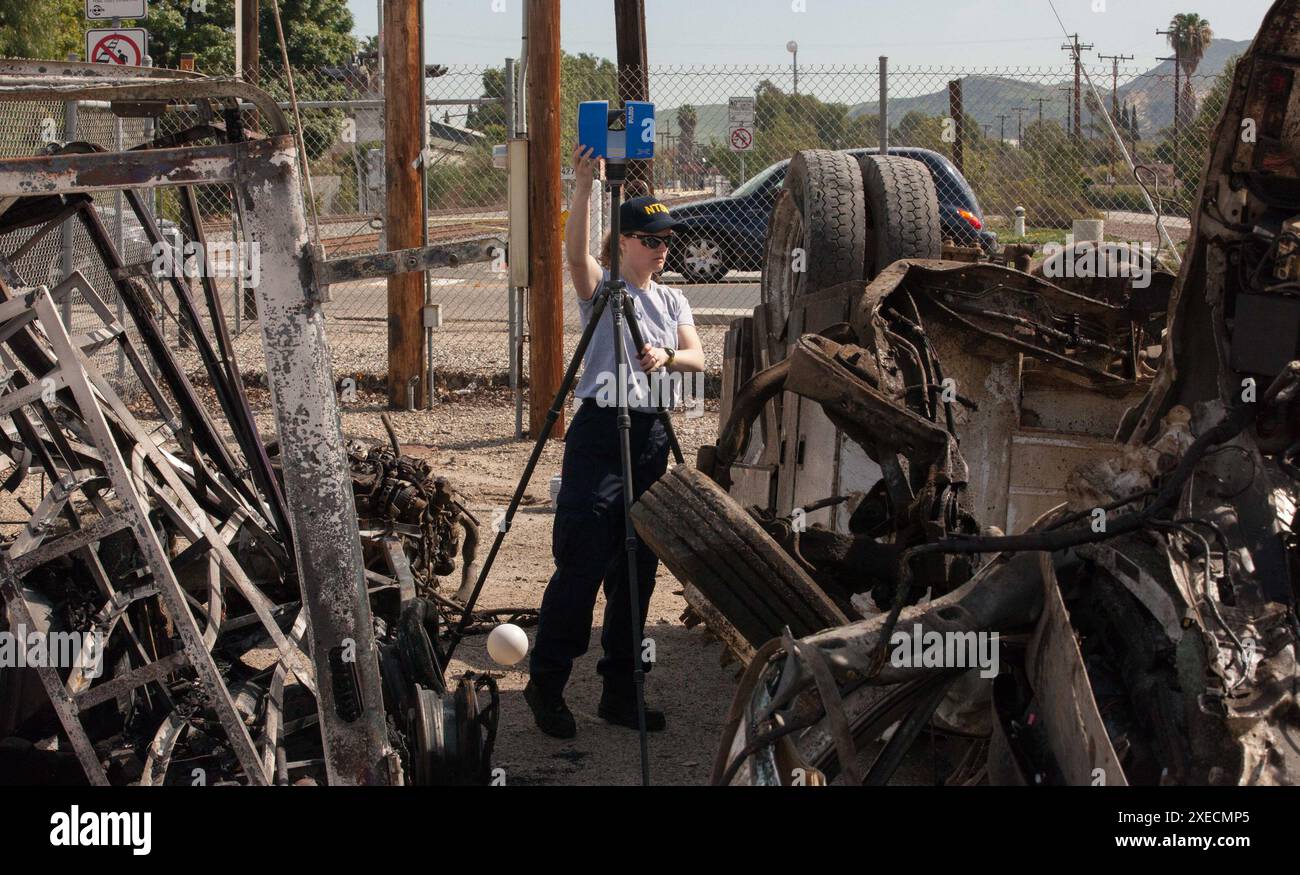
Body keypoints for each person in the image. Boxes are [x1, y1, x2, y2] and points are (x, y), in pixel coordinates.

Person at [524, 146, 705, 739]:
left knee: (637, 570)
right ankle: (546, 685)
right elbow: (574, 253)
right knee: (582, 559)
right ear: (625, 241)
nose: (661, 248)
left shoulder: (672, 298)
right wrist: (581, 188)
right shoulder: (601, 290)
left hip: (651, 434)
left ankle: (620, 693)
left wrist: (668, 356)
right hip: (602, 431)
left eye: (665, 241)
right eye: (650, 239)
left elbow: (698, 361)